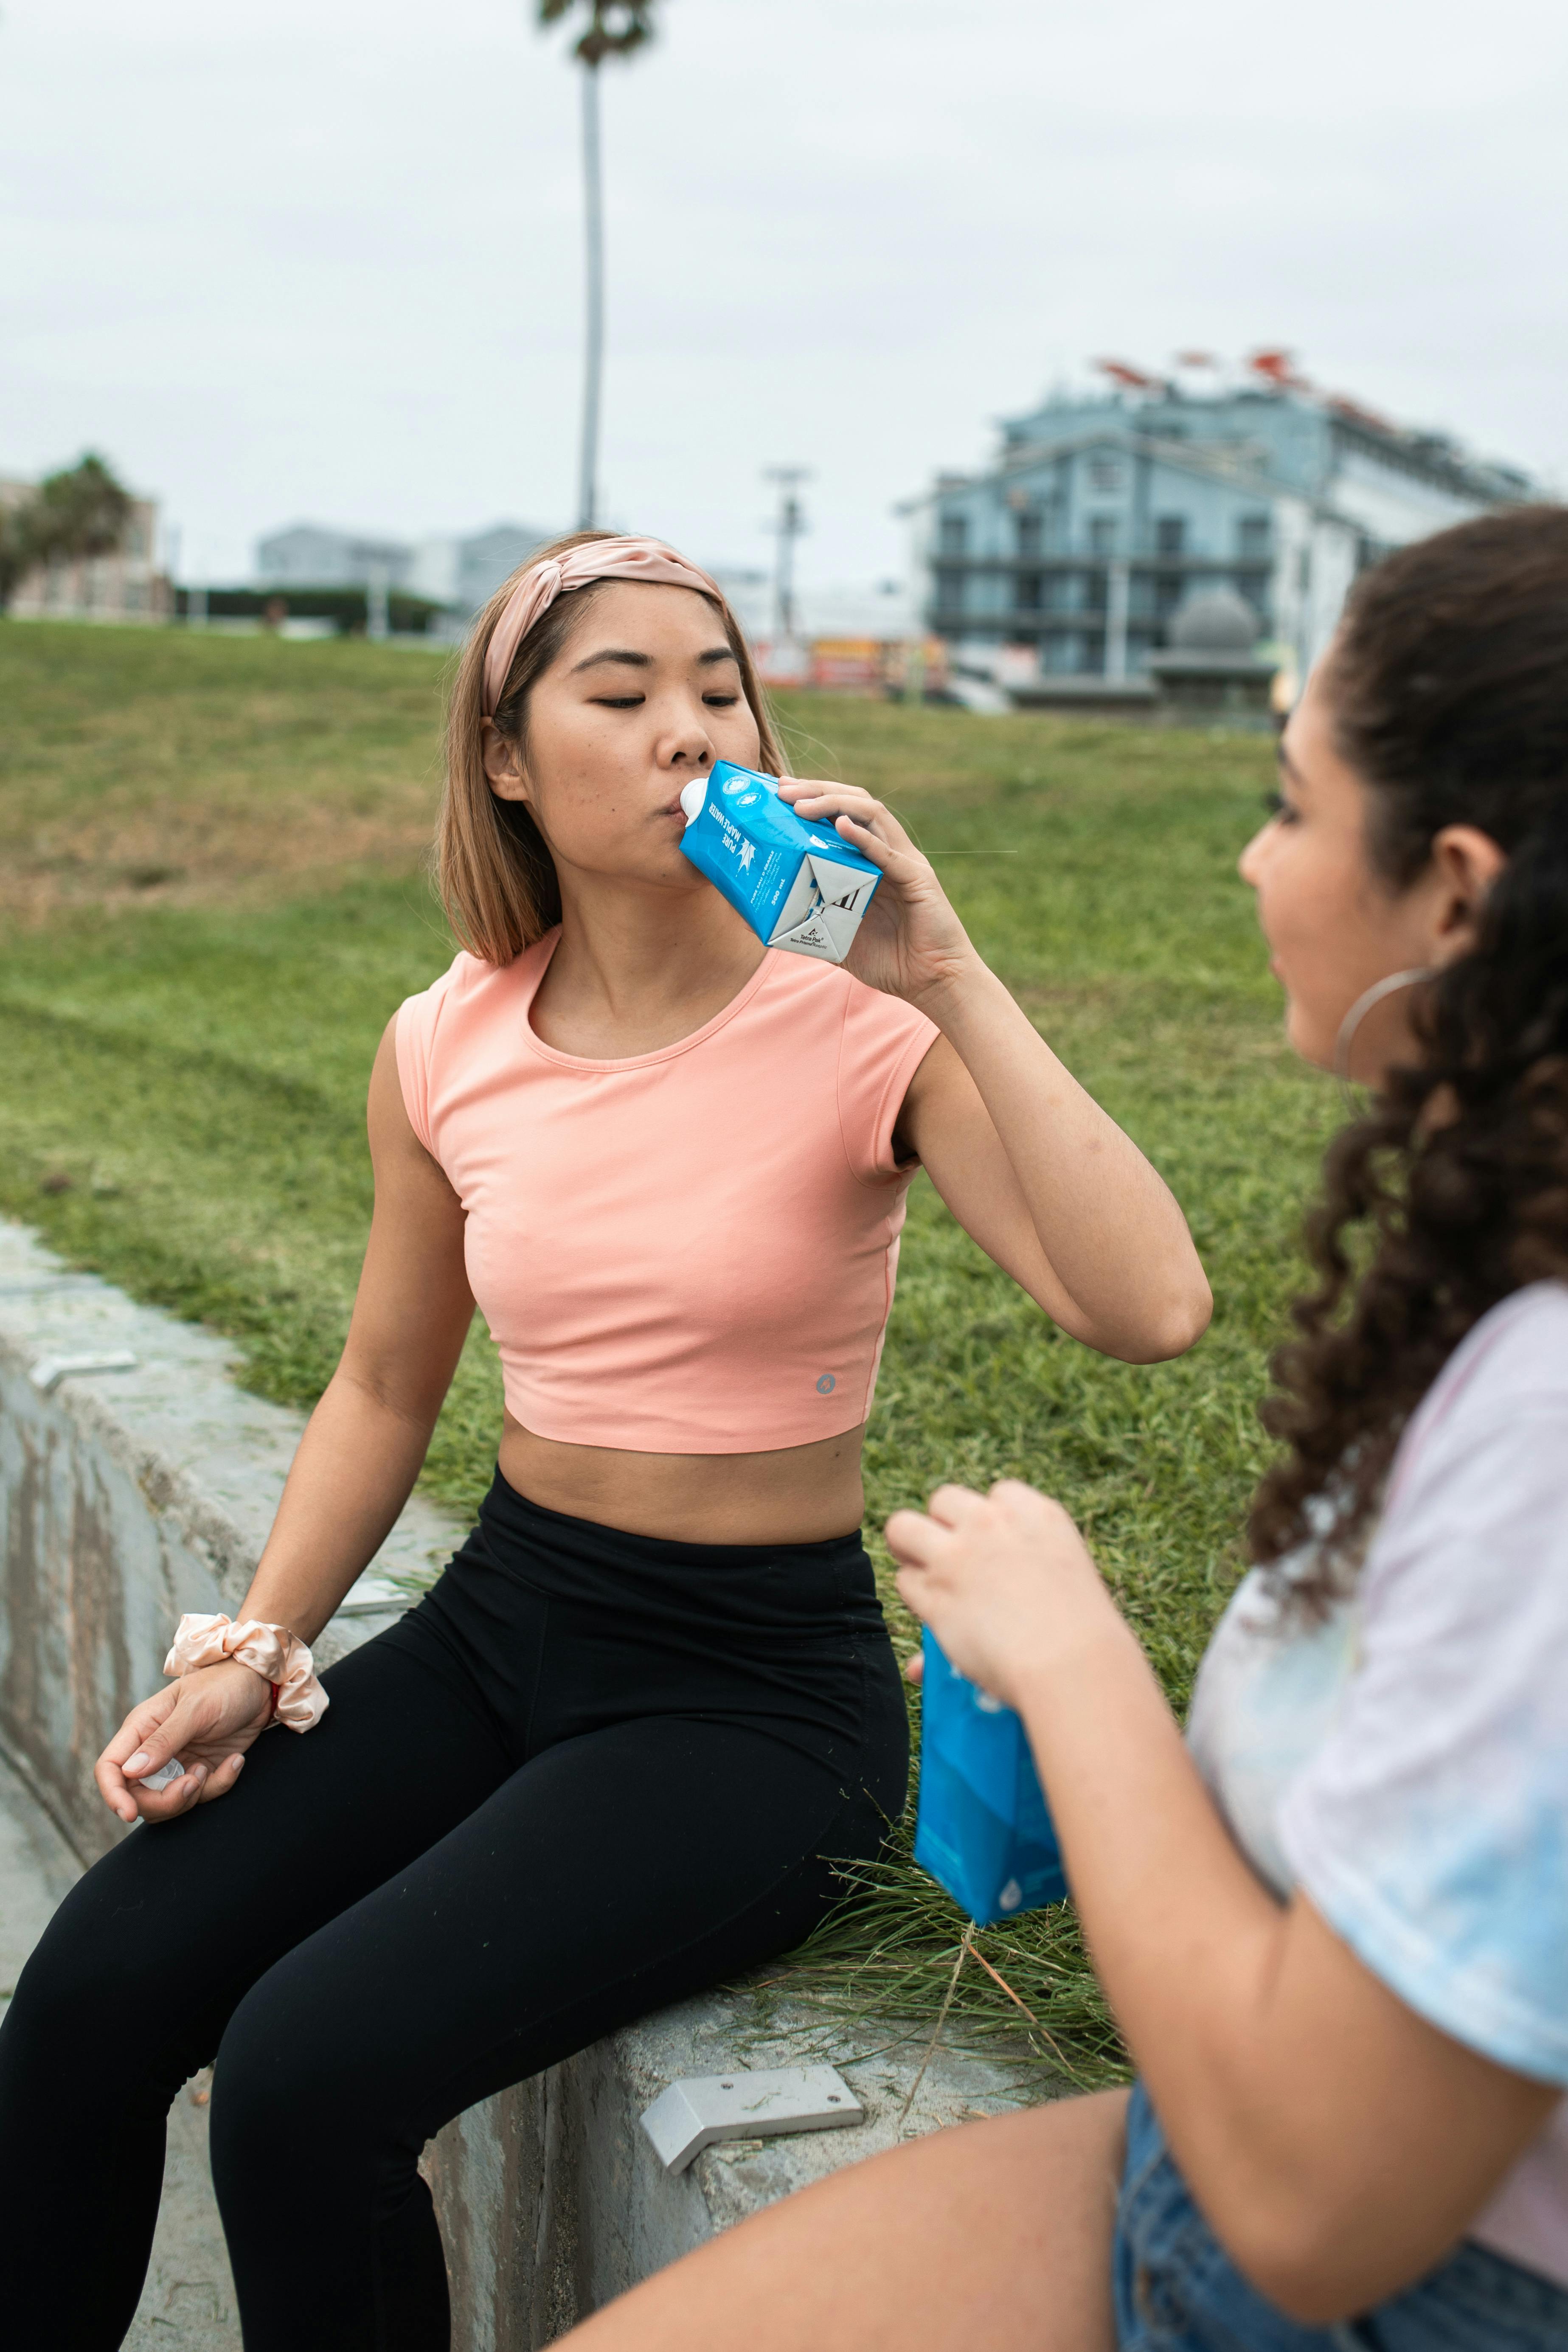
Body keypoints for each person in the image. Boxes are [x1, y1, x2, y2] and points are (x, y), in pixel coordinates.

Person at [0, 531, 1210, 2352]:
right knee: (89, 1998)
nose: (687, 730)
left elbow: (1149, 1309)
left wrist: (946, 968)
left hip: (749, 1700)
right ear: (506, 754)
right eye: (623, 692)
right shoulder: (446, 1039)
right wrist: (262, 1649)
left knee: (302, 2077)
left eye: (719, 689)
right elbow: (387, 1385)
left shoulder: (861, 1017)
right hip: (506, 1628)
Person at [549, 504, 1568, 2352]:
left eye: (1287, 801)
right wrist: (931, 959)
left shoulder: (1550, 1434)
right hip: (1181, 2174)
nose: (1255, 863)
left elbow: (1317, 2206)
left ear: (1457, 894)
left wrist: (1072, 1652)